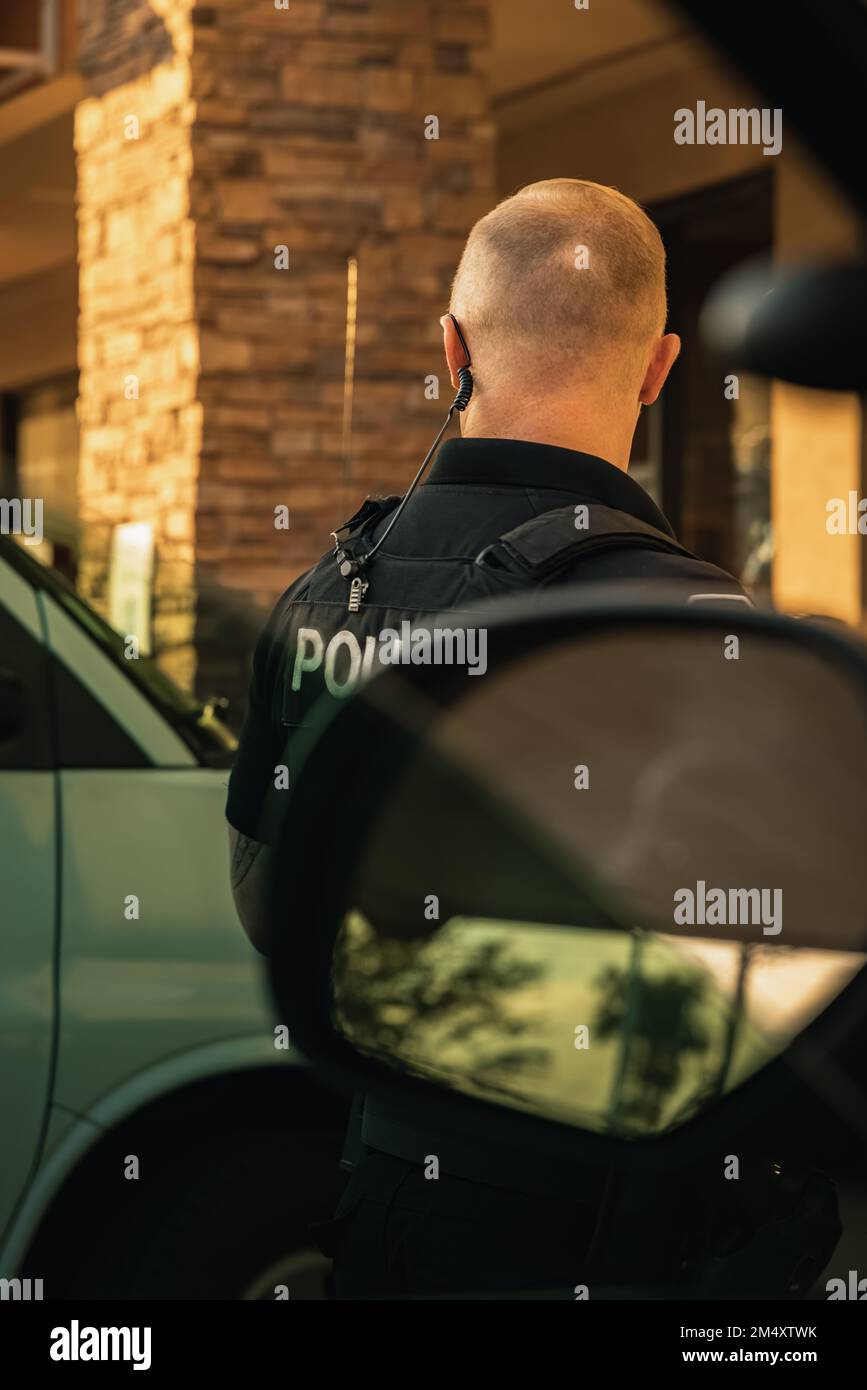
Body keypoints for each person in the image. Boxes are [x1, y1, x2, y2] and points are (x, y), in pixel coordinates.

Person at [225, 178, 748, 1296]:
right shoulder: (708, 629)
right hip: (628, 1230)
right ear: (660, 366)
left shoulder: (331, 591)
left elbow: (271, 904)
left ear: (451, 345)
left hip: (387, 1198)